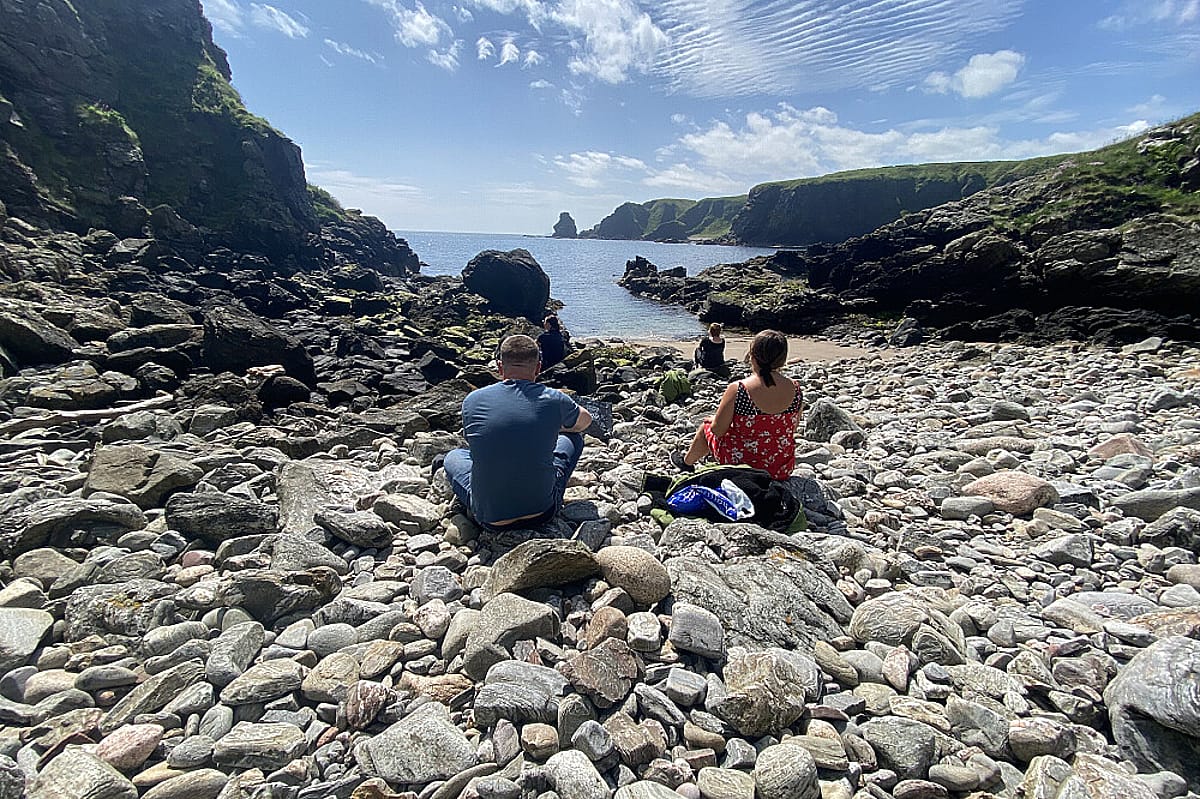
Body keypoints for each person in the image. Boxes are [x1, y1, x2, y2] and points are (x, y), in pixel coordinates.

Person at [443, 334, 592, 531]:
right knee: (573, 438)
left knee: (453, 456)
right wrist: (551, 425)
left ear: (499, 367)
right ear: (538, 367)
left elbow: (476, 445)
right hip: (542, 512)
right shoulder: (554, 398)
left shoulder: (472, 400)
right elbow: (585, 421)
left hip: (490, 519)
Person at [672, 329, 802, 480]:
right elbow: (793, 427)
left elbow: (718, 430)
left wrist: (717, 421)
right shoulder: (795, 388)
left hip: (742, 467)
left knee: (706, 427)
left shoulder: (740, 389)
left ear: (752, 356)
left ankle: (686, 463)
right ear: (783, 358)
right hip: (780, 467)